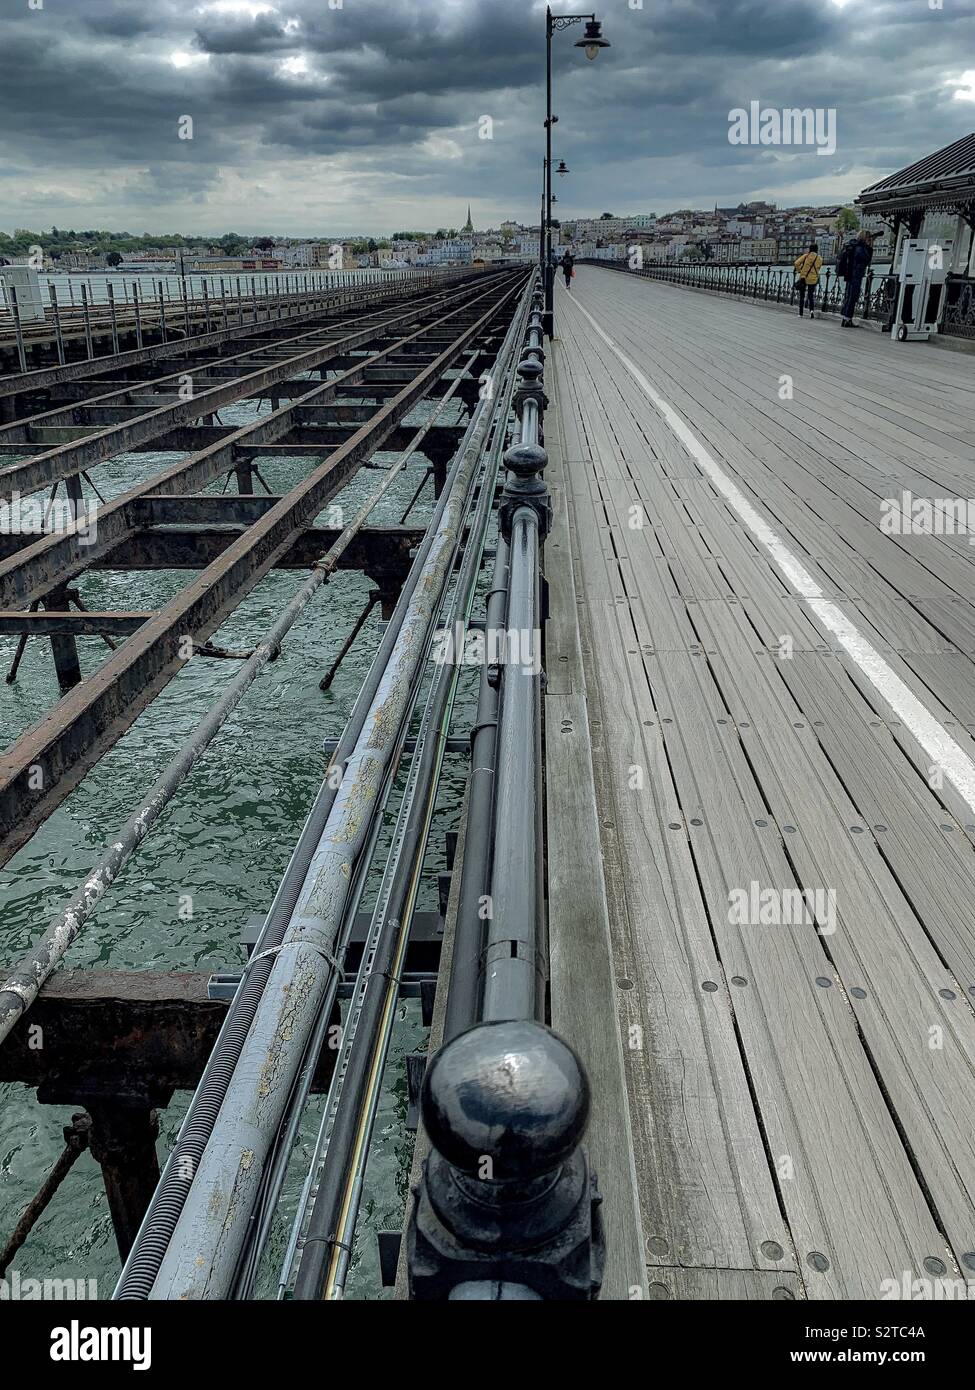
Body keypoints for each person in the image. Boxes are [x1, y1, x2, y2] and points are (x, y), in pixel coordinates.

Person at [838, 230, 874, 327]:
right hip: (856, 274)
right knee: (852, 297)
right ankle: (847, 318)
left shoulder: (853, 245)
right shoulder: (860, 248)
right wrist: (870, 247)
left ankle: (845, 318)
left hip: (849, 274)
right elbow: (867, 259)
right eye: (868, 238)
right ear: (865, 238)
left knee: (849, 296)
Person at [793, 241, 823, 319]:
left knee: (802, 296)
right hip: (813, 279)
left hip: (804, 278)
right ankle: (811, 311)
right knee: (810, 296)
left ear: (810, 249)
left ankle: (800, 313)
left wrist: (800, 270)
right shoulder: (819, 258)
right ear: (817, 249)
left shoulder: (806, 256)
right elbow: (818, 268)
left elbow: (796, 263)